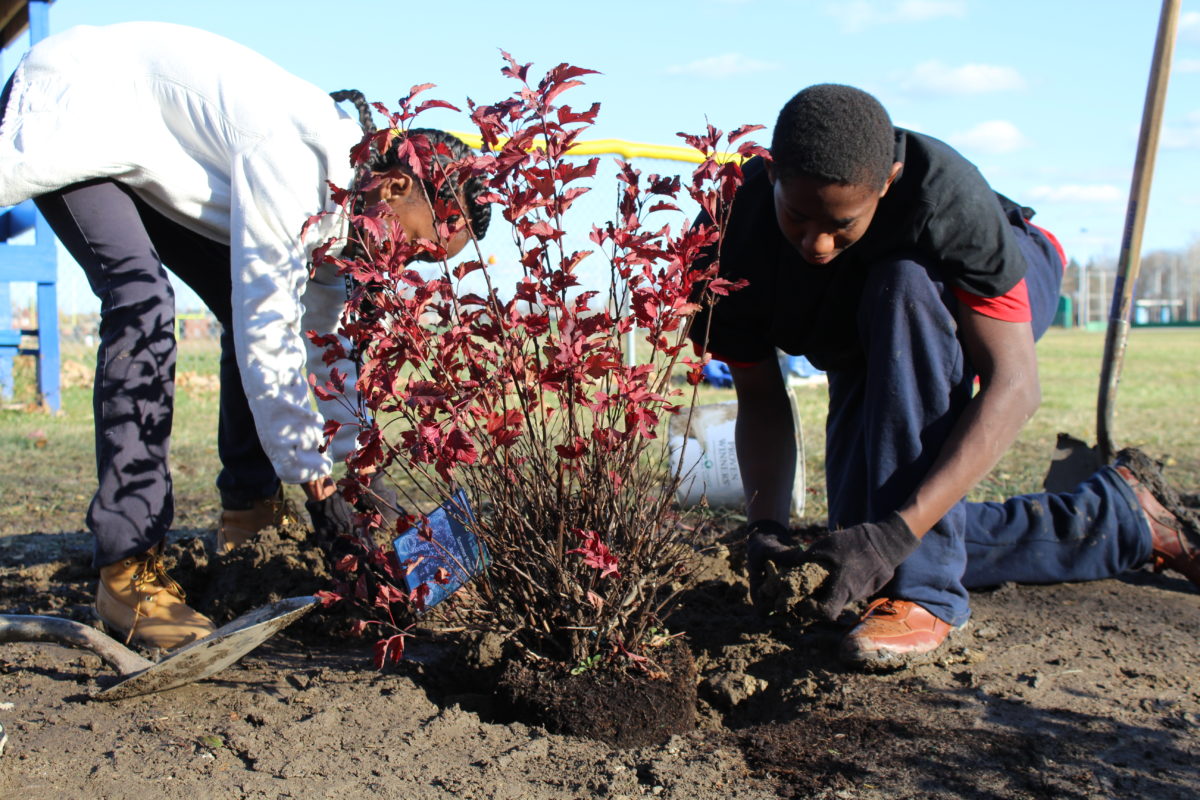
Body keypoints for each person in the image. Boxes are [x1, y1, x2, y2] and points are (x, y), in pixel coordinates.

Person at [0, 22, 490, 650]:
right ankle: (127, 573)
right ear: (396, 186)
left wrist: (358, 482)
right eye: (417, 245)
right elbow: (269, 326)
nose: (403, 265)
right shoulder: (298, 159)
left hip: (147, 137)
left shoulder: (349, 212)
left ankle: (250, 519)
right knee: (141, 298)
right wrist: (320, 493)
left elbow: (320, 345)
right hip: (79, 100)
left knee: (239, 306)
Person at [691, 84, 1200, 670]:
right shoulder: (732, 241)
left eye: (841, 223)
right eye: (797, 217)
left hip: (976, 281)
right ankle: (1122, 519)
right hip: (863, 326)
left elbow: (1014, 384)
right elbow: (760, 399)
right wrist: (767, 528)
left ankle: (923, 596)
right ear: (773, 173)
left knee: (903, 285)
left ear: (888, 182)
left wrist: (896, 537)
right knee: (859, 538)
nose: (816, 243)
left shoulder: (947, 202)